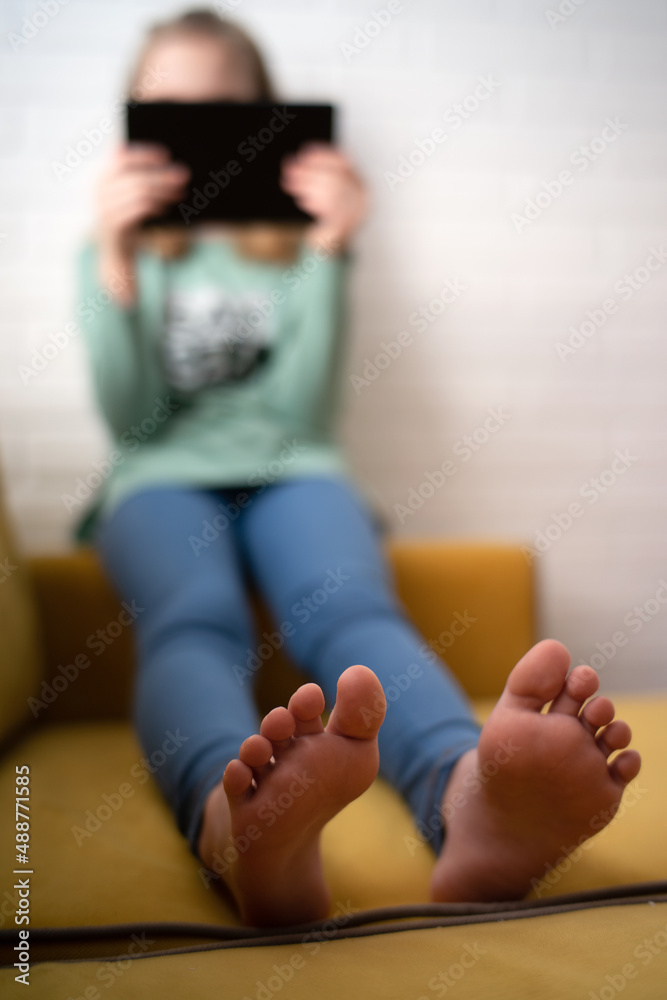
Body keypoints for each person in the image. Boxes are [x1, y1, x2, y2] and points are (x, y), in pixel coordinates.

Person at [78, 8, 641, 928]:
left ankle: (469, 800)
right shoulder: (112, 250)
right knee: (193, 620)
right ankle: (235, 825)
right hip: (158, 475)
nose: (194, 134)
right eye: (165, 113)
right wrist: (113, 264)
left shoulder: (296, 245)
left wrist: (331, 254)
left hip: (296, 465)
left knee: (348, 610)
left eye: (218, 112)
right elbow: (132, 419)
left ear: (259, 120)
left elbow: (300, 412)